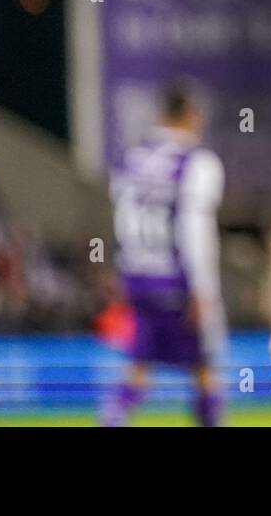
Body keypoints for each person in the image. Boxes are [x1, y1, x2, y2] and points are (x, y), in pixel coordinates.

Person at [100, 78, 225, 426]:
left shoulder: (131, 159)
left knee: (139, 366)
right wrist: (203, 289)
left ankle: (111, 419)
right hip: (176, 281)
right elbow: (193, 230)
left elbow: (123, 221)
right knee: (204, 368)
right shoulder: (196, 163)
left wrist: (124, 271)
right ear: (190, 114)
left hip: (139, 278)